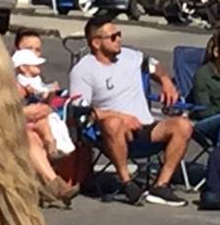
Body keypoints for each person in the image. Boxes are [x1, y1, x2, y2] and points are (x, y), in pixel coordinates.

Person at [65, 12, 191, 205]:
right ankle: (127, 182)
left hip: (146, 127)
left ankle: (161, 186)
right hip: (114, 133)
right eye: (113, 37)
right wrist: (121, 117)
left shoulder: (131, 57)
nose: (119, 40)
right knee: (113, 123)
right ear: (96, 43)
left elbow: (154, 66)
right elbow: (80, 111)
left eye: (120, 34)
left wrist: (166, 81)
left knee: (183, 125)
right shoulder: (84, 70)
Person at [13, 45, 79, 205]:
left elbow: (47, 105)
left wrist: (47, 100)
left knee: (35, 135)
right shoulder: (13, 84)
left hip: (33, 125)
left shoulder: (35, 80)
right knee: (31, 138)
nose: (39, 67)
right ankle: (56, 185)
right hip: (15, 126)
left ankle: (52, 184)